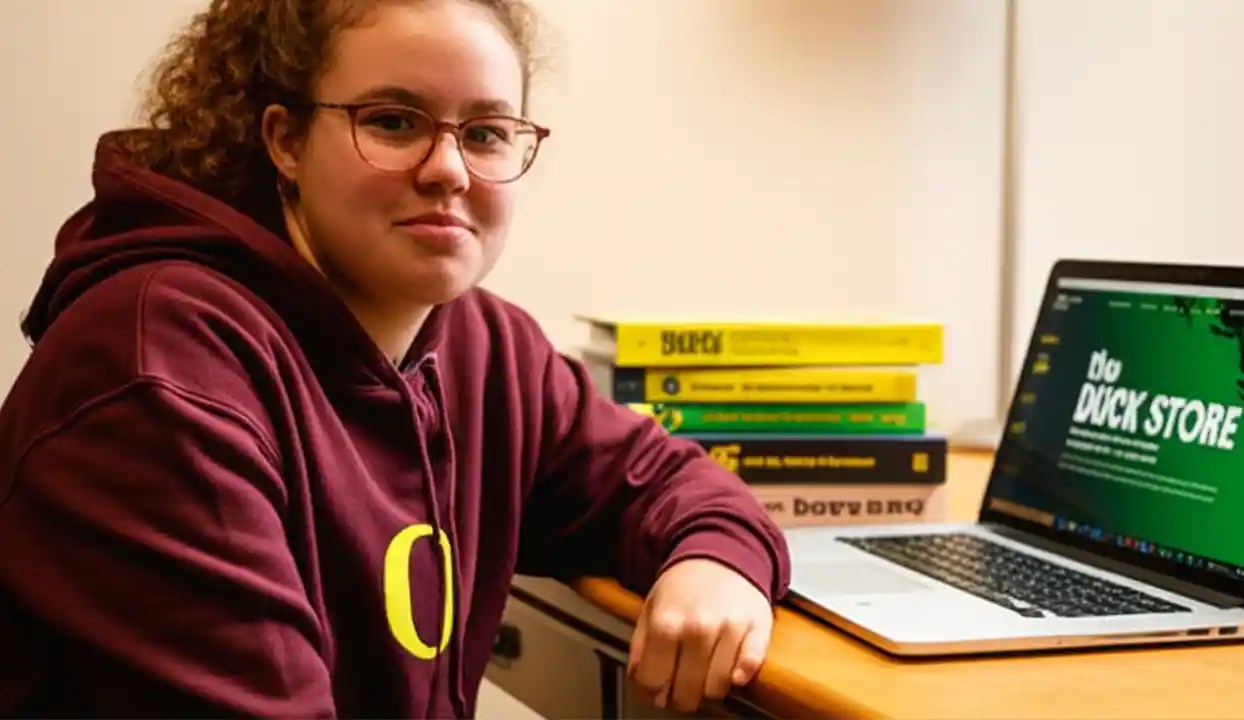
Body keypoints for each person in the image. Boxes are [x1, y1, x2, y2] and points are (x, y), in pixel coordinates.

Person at [0, 0, 792, 717]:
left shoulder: (484, 347)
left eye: (485, 133)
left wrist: (718, 562)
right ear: (286, 141)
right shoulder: (158, 370)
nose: (449, 169)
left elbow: (673, 486)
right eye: (393, 121)